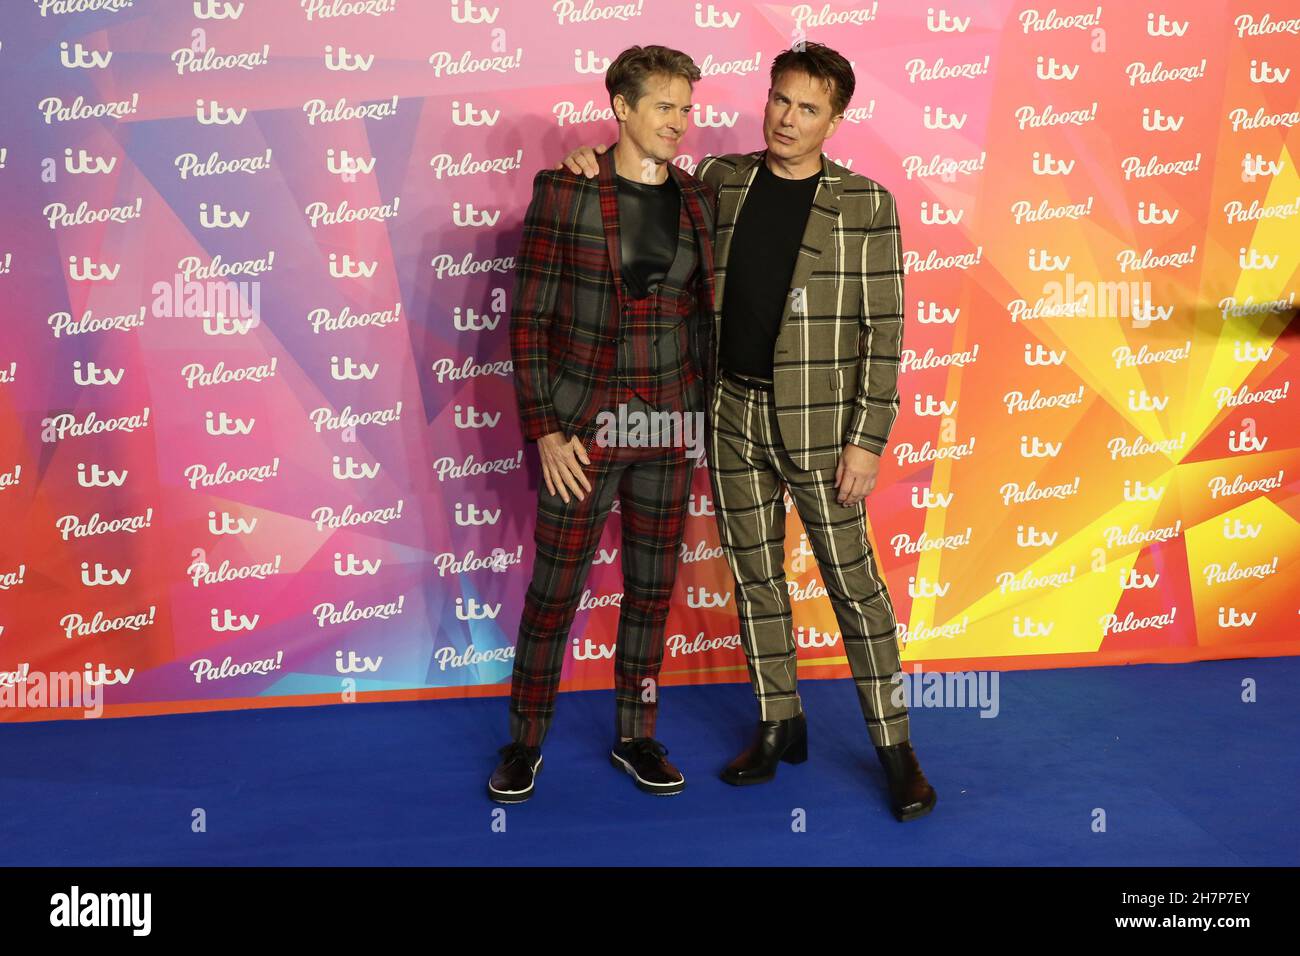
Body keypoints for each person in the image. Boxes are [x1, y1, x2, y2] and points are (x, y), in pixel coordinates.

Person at [558, 42, 936, 821]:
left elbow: (886, 332)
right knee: (757, 582)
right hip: (731, 414)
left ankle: (895, 749)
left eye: (808, 109)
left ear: (836, 119)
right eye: (780, 101)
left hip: (827, 432)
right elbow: (643, 180)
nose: (787, 119)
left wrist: (869, 440)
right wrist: (593, 157)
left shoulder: (866, 204)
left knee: (855, 589)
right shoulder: (723, 182)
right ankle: (779, 722)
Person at [488, 45, 718, 803]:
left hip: (669, 424)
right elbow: (526, 321)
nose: (679, 123)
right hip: (583, 428)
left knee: (651, 593)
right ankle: (524, 742)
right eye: (664, 107)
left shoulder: (695, 198)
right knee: (554, 595)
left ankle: (637, 735)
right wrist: (546, 430)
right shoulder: (566, 191)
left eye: (686, 108)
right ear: (622, 107)